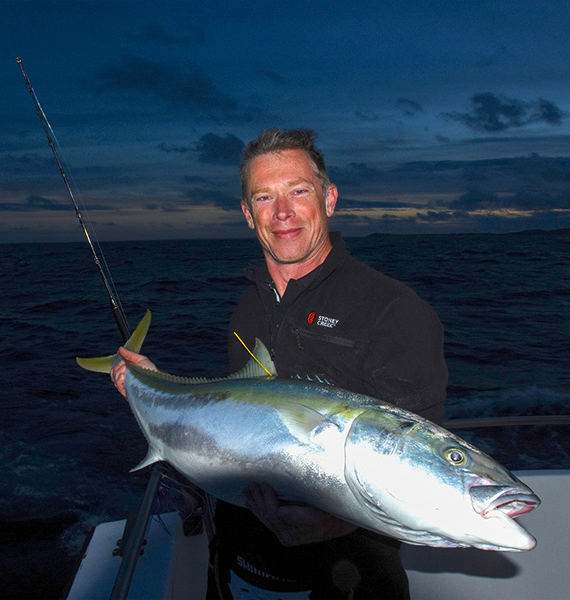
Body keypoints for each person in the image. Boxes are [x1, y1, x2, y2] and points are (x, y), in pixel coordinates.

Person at [110, 129, 448, 599]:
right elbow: (228, 423)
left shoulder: (393, 308)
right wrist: (148, 381)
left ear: (329, 199)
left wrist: (332, 523)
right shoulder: (248, 306)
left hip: (350, 578)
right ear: (248, 214)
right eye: (264, 197)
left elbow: (416, 462)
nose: (282, 212)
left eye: (299, 191)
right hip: (236, 565)